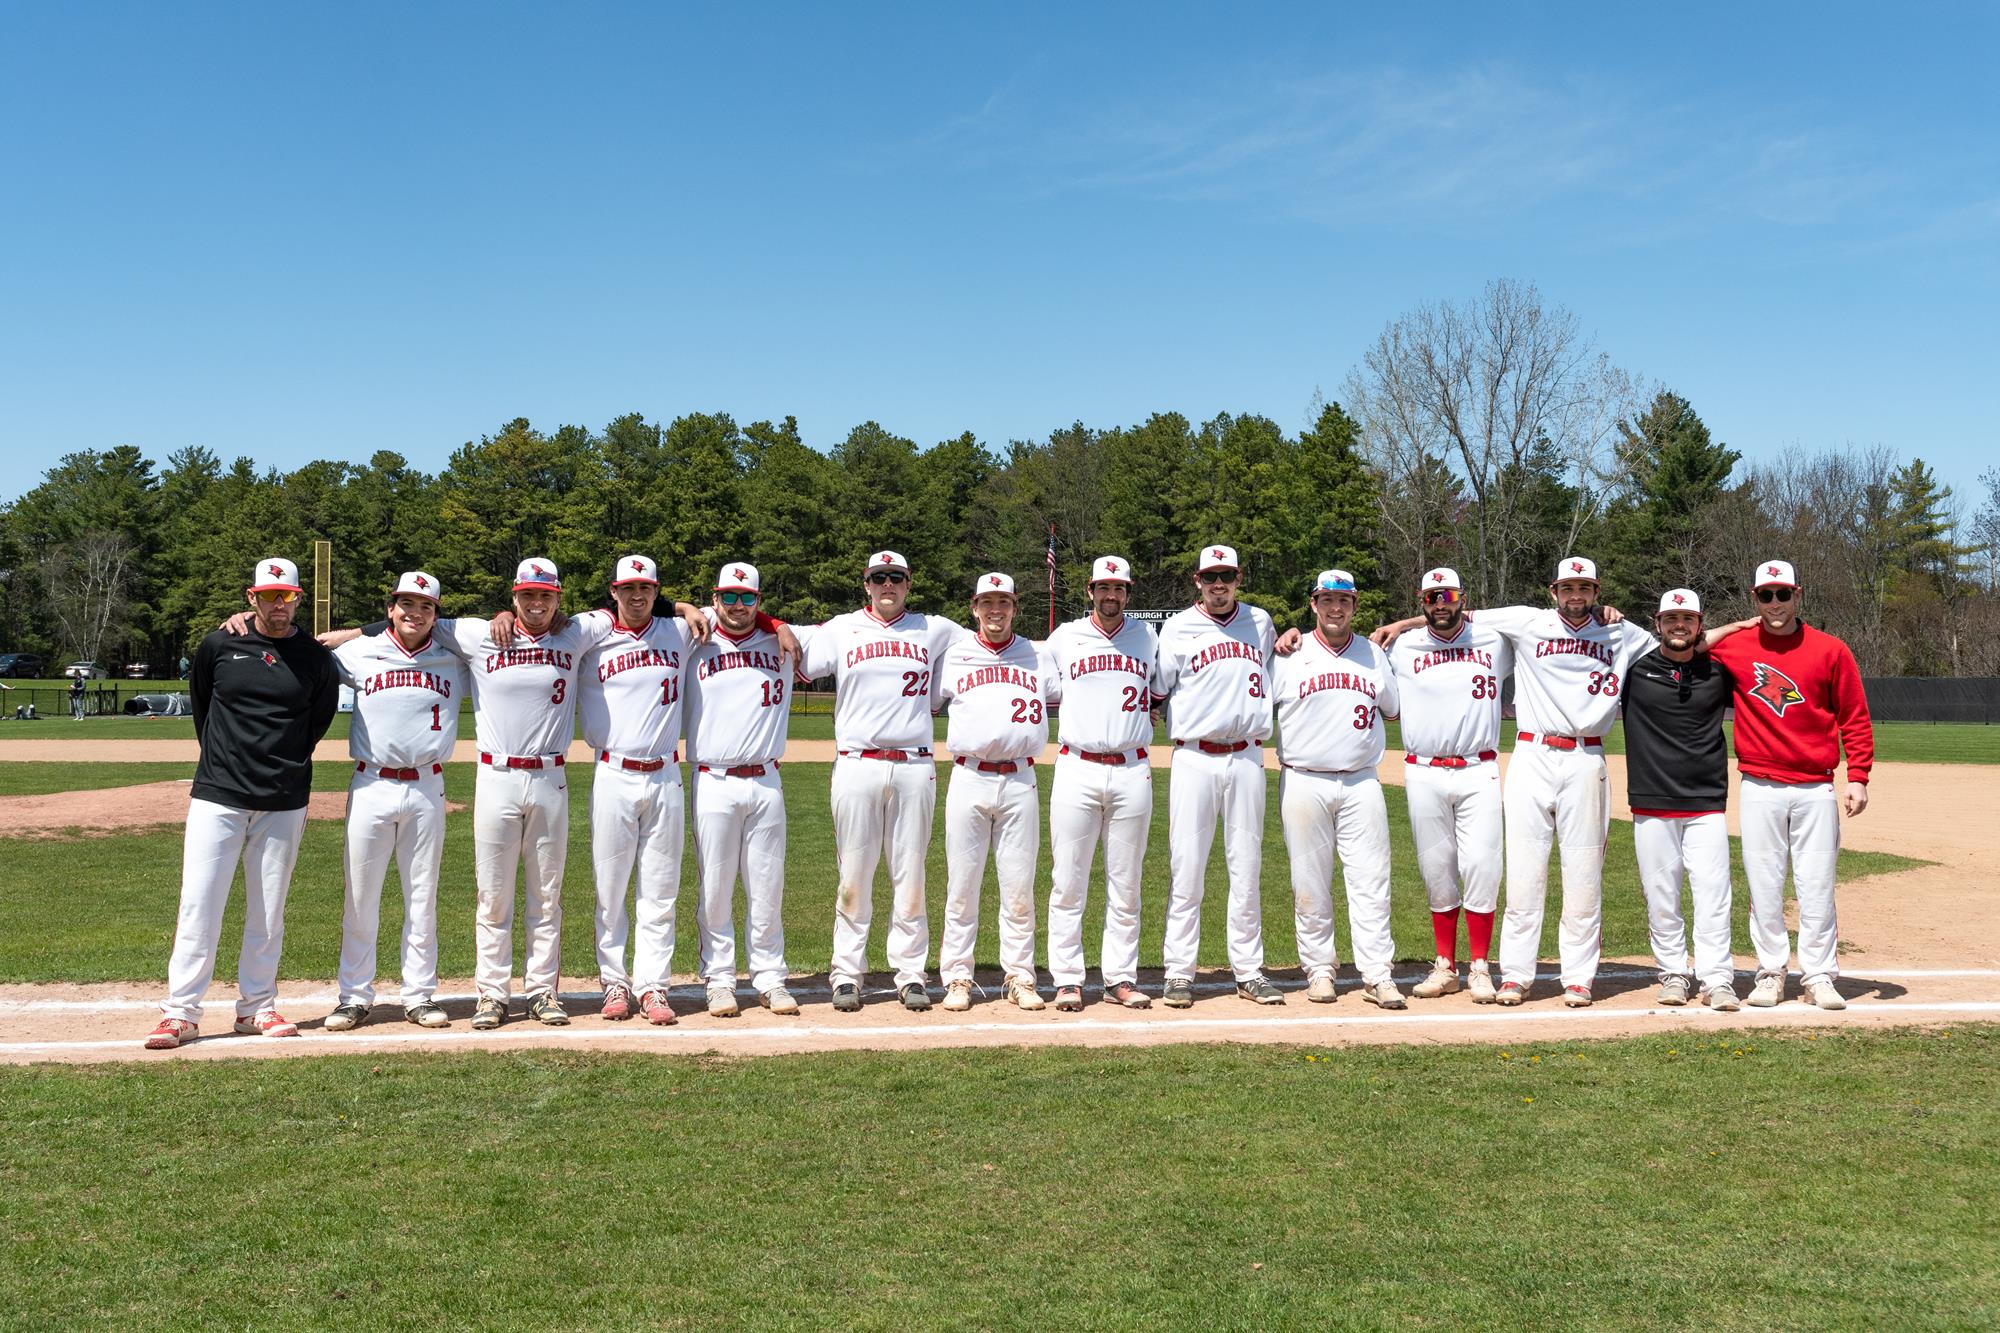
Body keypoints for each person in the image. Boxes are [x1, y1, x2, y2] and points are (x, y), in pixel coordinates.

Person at [1375, 557, 1654, 1007]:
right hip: (1531, 752)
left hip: (1587, 755)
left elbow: (1680, 644)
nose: (1576, 596)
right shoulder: (1526, 621)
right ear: (1553, 590)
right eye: (1568, 587)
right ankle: (1516, 975)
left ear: (1598, 591)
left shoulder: (1621, 631)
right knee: (1524, 872)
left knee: (1583, 873)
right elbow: (1455, 614)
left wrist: (1740, 625)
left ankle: (1578, 977)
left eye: (1584, 588)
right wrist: (1402, 622)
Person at [144, 558, 340, 1050]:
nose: (279, 604)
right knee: (199, 904)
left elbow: (317, 722)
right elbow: (204, 710)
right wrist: (226, 762)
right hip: (219, 794)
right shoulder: (219, 644)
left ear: (298, 599)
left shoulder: (314, 658)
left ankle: (256, 1008)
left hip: (284, 798)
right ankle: (181, 1013)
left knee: (268, 911)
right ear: (251, 598)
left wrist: (282, 763)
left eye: (288, 596)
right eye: (269, 595)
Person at [796, 550, 968, 1012]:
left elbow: (994, 641)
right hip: (857, 763)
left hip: (914, 765)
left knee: (910, 874)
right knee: (854, 874)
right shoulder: (841, 628)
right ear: (866, 583)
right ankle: (847, 974)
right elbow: (780, 637)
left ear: (909, 583)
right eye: (879, 577)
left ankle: (910, 973)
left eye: (896, 577)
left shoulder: (936, 629)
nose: (887, 584)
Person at [1707, 559, 1874, 1010]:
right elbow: (1686, 644)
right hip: (1760, 784)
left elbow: (1854, 716)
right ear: (1754, 597)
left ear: (1798, 595)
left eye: (1783, 594)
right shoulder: (1737, 645)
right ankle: (1771, 972)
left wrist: (1857, 776)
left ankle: (1818, 975)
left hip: (1815, 786)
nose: (1775, 603)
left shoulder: (1830, 649)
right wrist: (1731, 627)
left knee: (1817, 884)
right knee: (1764, 884)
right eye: (1766, 595)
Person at [322, 571, 467, 1032]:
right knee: (361, 895)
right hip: (371, 783)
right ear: (390, 607)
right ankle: (354, 995)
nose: (414, 612)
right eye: (406, 603)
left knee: (422, 896)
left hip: (427, 786)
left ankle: (419, 995)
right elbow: (306, 647)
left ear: (437, 615)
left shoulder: (455, 657)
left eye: (425, 606)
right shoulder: (358, 653)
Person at [1152, 544, 1279, 1008]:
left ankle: (1248, 970)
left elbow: (1271, 669)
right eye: (1211, 577)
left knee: (1245, 867)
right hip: (1194, 757)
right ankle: (1179, 972)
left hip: (1246, 757)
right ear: (1197, 581)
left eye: (1226, 575)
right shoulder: (1178, 627)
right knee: (1187, 867)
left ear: (1239, 578)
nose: (1218, 584)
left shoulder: (1261, 623)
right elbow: (1158, 689)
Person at [573, 556, 697, 1025]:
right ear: (613, 591)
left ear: (656, 590)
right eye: (628, 588)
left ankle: (653, 986)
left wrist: (685, 608)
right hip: (613, 773)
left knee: (661, 889)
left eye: (645, 588)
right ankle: (615, 983)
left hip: (665, 774)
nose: (637, 596)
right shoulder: (591, 633)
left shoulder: (680, 632)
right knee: (611, 887)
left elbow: (731, 614)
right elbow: (540, 623)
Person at [1272, 570, 1404, 1008]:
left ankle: (1378, 973)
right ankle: (1320, 969)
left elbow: (1392, 709)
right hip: (1304, 778)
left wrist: (1406, 626)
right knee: (1309, 882)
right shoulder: (1289, 654)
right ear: (1313, 604)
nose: (1335, 608)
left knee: (1371, 880)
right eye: (1327, 599)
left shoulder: (1372, 653)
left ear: (1355, 605)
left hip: (1361, 779)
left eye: (1343, 601)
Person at [1384, 568, 1513, 1002]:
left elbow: (1533, 621)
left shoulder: (1493, 640)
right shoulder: (1403, 647)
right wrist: (1405, 626)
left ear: (1463, 598)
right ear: (1422, 601)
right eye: (1433, 597)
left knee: (1482, 866)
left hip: (1479, 768)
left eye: (1449, 595)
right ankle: (1445, 965)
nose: (1442, 603)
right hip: (1423, 769)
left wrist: (1405, 620)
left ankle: (1479, 966)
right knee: (1437, 869)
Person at [1621, 588, 1748, 1011]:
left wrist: (1742, 626)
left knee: (1714, 893)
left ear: (1699, 625)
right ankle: (1673, 971)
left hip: (1706, 800)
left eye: (1688, 619)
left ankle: (1716, 978)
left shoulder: (1718, 671)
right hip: (1651, 800)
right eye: (1671, 619)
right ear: (1657, 623)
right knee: (1662, 895)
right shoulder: (1635, 669)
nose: (1680, 626)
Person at [686, 562, 804, 1016]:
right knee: (715, 886)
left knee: (767, 886)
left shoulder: (783, 639)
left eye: (747, 598)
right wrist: (683, 605)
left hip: (767, 780)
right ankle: (719, 979)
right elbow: (653, 611)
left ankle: (770, 976)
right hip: (714, 779)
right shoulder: (694, 635)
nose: (738, 606)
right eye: (728, 597)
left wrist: (778, 625)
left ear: (760, 601)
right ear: (714, 600)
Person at [1040, 555, 1157, 1011]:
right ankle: (1068, 978)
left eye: (1120, 588)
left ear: (1128, 593)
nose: (1112, 595)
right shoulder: (1064, 637)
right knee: (1068, 881)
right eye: (1103, 588)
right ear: (1090, 591)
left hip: (1132, 768)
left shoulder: (1147, 637)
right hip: (1078, 766)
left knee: (1126, 884)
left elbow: (1162, 689)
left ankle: (1119, 978)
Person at [936, 573, 1052, 1011]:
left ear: (1015, 607)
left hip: (1021, 778)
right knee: (962, 885)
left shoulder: (1039, 655)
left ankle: (1020, 976)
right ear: (974, 607)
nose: (995, 610)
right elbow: (929, 701)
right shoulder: (955, 655)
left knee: (1019, 887)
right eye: (988, 602)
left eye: (1003, 602)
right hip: (969, 776)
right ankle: (958, 977)